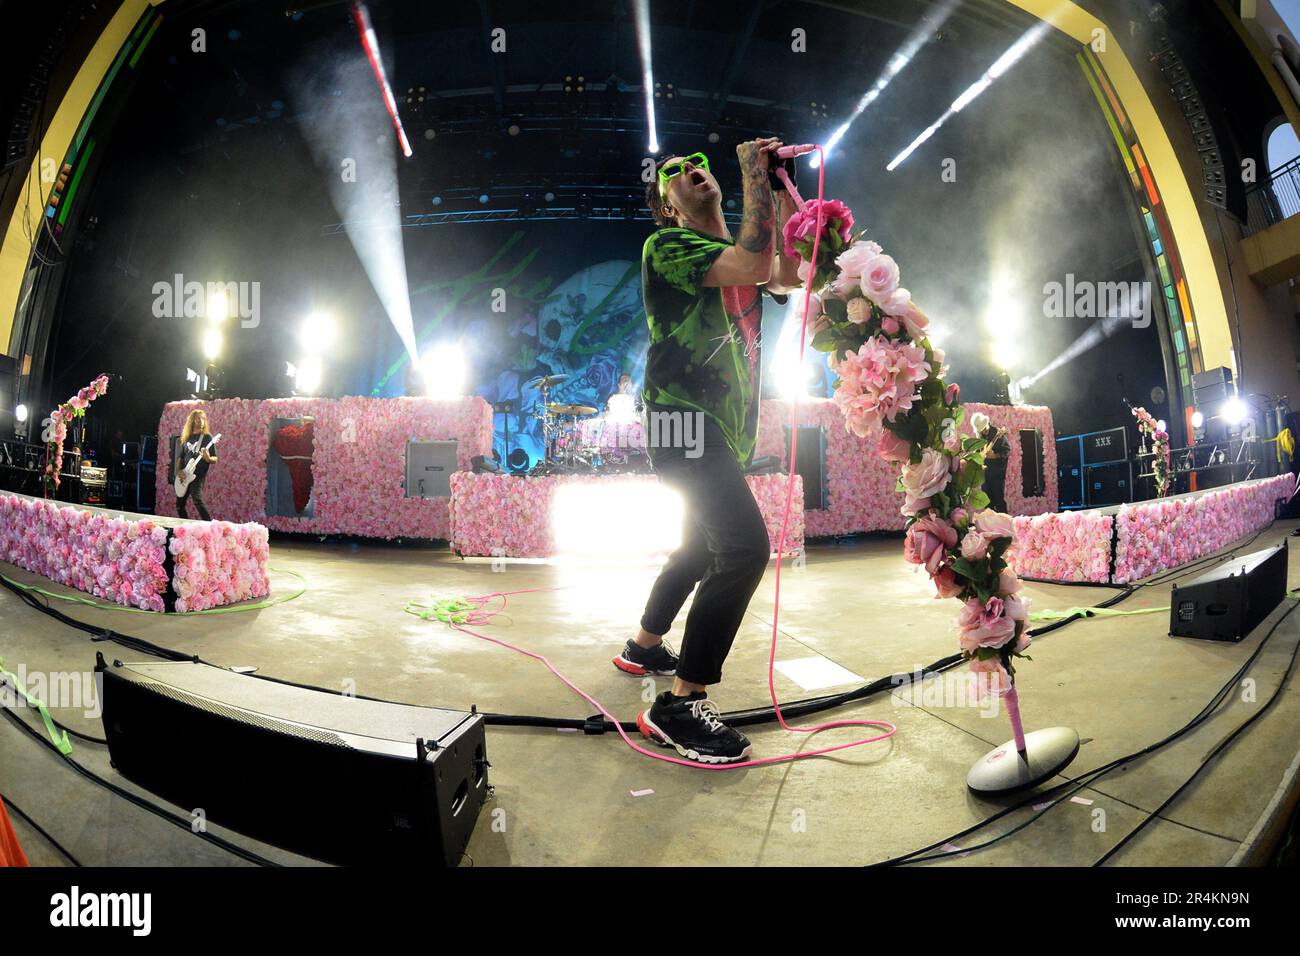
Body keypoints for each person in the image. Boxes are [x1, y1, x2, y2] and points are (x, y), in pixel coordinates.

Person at [610, 138, 803, 765]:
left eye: (698, 164)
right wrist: (753, 177)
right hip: (679, 423)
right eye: (675, 173)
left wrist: (778, 188)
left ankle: (643, 646)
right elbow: (752, 262)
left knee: (700, 546)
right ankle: (680, 703)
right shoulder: (665, 247)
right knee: (746, 548)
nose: (692, 171)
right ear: (665, 207)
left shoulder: (738, 254)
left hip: (719, 431)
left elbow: (786, 274)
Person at [176, 408, 217, 520]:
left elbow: (215, 458)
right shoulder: (187, 438)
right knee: (179, 505)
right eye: (198, 419)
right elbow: (181, 457)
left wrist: (208, 458)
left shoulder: (207, 437)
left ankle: (209, 525)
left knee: (197, 499)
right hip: (185, 474)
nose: (201, 421)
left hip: (198, 475)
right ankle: (184, 528)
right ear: (192, 421)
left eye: (203, 419)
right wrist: (179, 471)